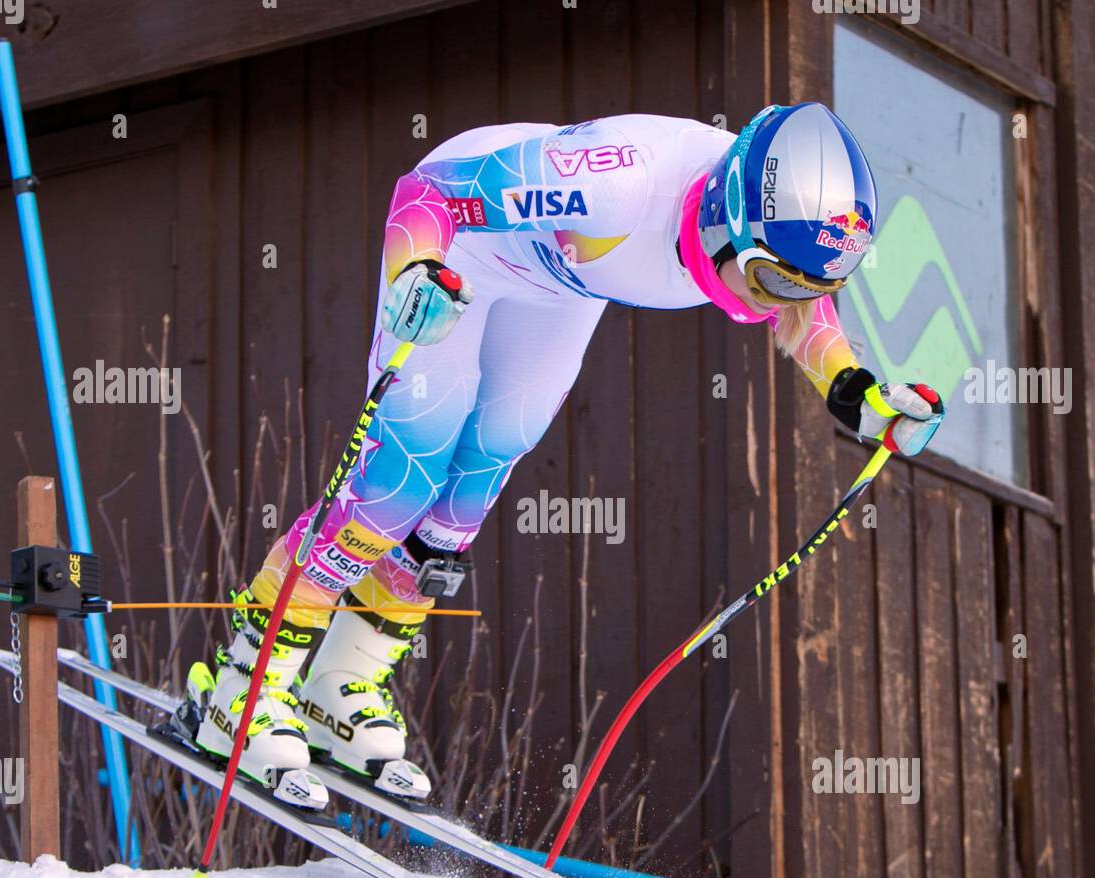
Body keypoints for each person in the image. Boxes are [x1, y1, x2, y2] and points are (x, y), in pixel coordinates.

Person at [190, 103, 945, 807]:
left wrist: (855, 389)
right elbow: (429, 193)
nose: (774, 302)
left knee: (480, 469)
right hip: (467, 251)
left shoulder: (773, 236)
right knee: (403, 468)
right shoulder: (616, 186)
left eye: (804, 282)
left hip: (562, 282)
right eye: (770, 279)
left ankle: (342, 682)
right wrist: (415, 274)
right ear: (725, 217)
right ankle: (245, 687)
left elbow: (805, 297)